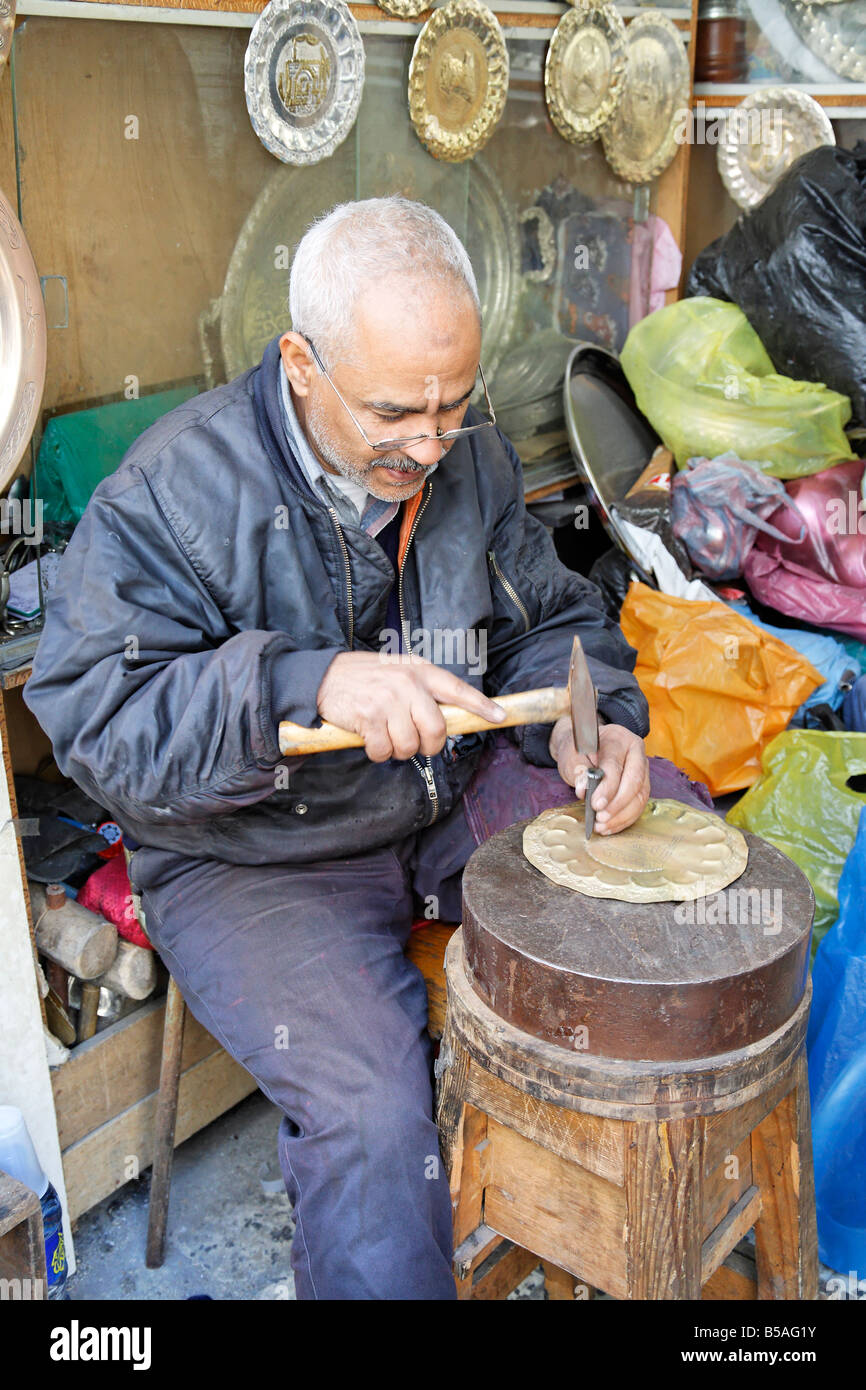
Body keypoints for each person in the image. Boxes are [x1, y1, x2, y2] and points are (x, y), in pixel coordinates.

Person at [24, 197, 703, 1300]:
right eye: (395, 412)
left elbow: (548, 623)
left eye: (451, 404)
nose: (430, 442)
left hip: (444, 793)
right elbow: (93, 714)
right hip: (256, 856)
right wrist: (302, 679)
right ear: (300, 363)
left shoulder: (461, 454)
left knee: (676, 863)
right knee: (377, 1122)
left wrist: (599, 725)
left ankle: (605, 1227)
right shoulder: (173, 492)